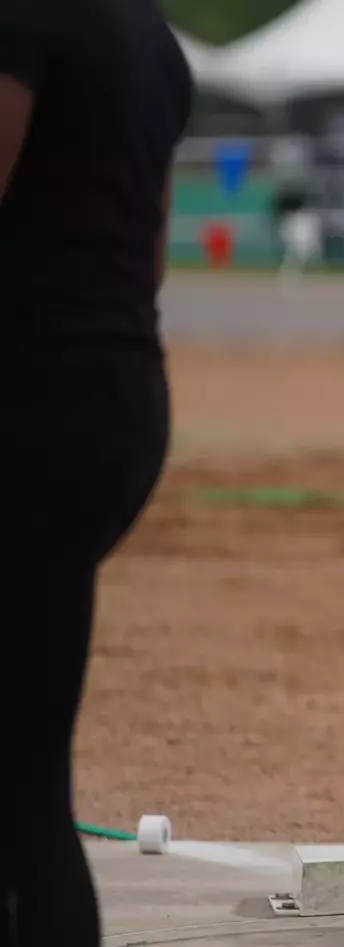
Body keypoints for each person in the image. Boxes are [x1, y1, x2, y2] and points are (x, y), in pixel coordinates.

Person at [0, 0, 193, 944]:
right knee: (28, 776)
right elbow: (148, 261)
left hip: (30, 399)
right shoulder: (145, 34)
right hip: (115, 395)